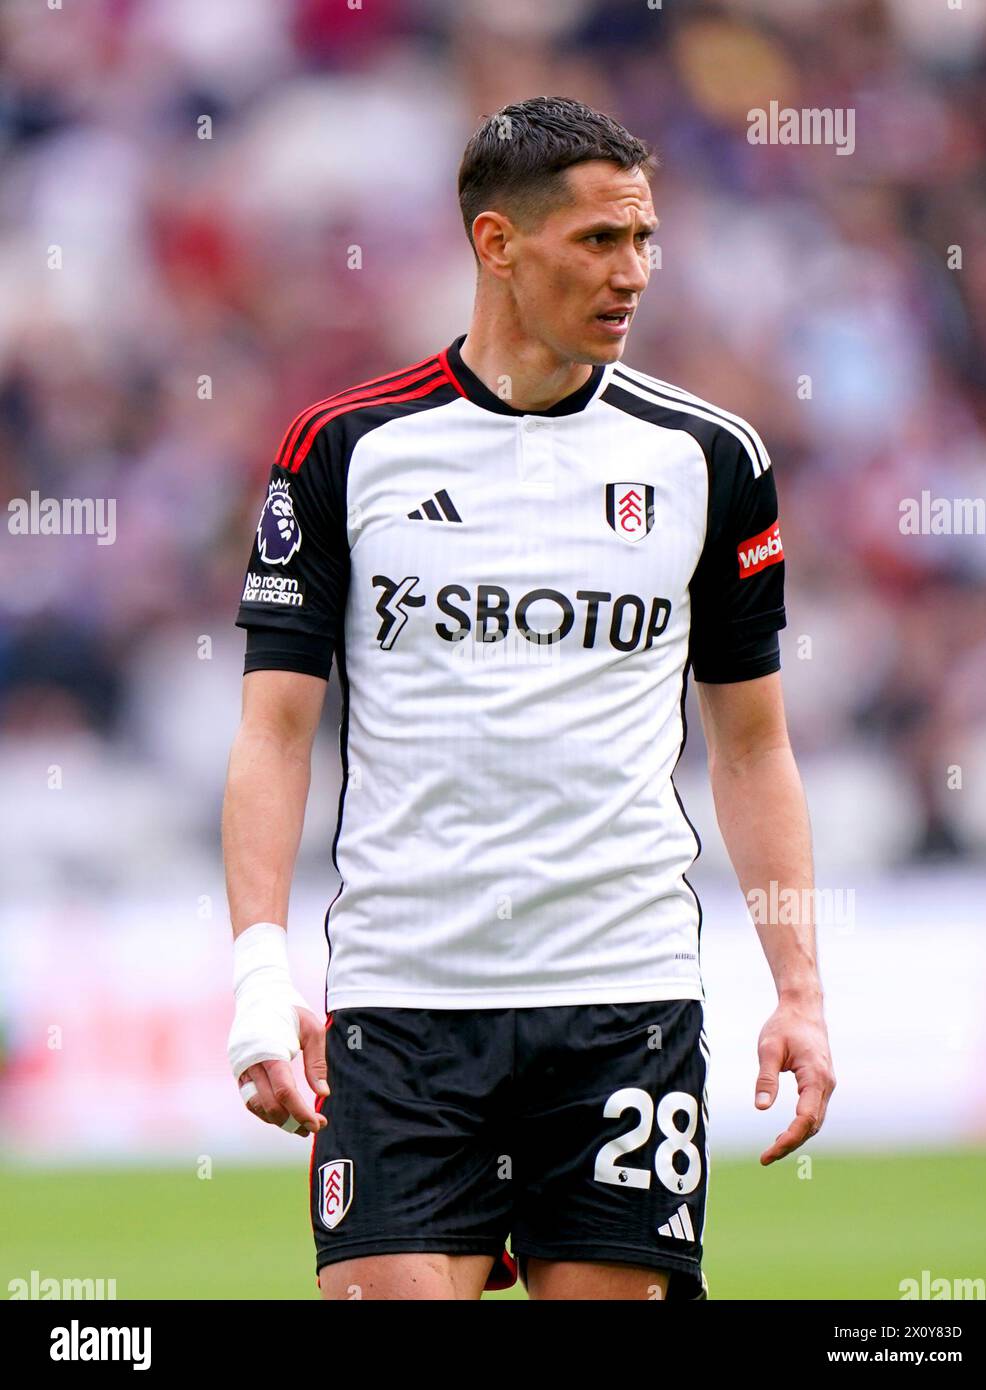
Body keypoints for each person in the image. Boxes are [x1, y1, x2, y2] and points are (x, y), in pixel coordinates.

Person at [222, 95, 836, 1302]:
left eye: (644, 239)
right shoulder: (346, 447)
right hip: (406, 1000)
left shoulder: (707, 458)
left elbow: (754, 747)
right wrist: (258, 970)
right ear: (498, 244)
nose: (634, 274)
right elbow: (275, 728)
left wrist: (801, 989)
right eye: (599, 242)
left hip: (620, 996)